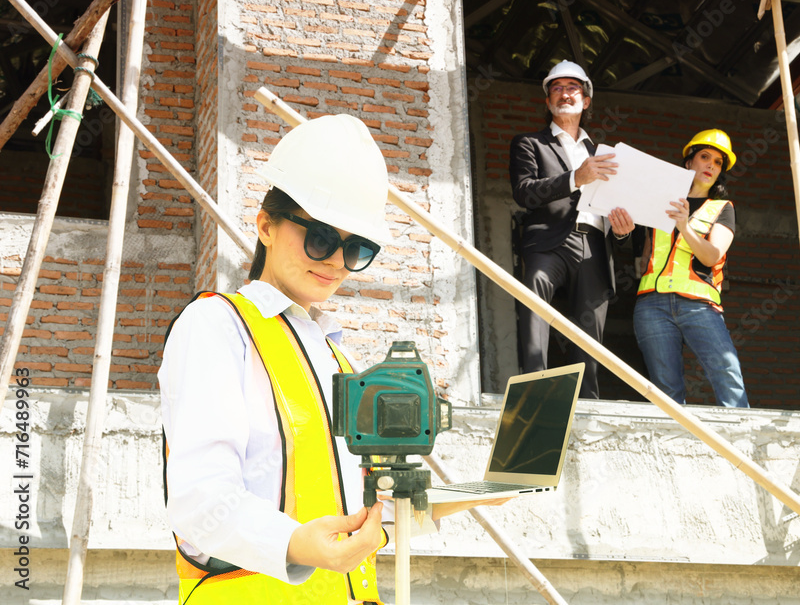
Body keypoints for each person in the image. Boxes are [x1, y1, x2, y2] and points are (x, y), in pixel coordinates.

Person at [159, 115, 501, 604]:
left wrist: (463, 498)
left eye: (358, 248)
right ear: (266, 227)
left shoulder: (335, 355)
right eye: (320, 238)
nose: (337, 261)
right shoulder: (217, 325)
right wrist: (296, 544)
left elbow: (349, 508)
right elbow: (199, 502)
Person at [509, 60, 634, 399]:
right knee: (533, 297)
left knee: (590, 327)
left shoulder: (604, 155)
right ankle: (533, 389)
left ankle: (586, 400)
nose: (565, 94)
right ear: (548, 100)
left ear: (586, 100)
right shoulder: (529, 144)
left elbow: (617, 208)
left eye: (572, 88)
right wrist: (576, 178)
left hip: (593, 244)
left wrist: (622, 231)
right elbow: (524, 192)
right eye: (557, 88)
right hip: (547, 240)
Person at [631, 129, 750, 408]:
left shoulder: (722, 208)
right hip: (651, 305)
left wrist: (684, 225)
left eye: (718, 162)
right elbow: (645, 255)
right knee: (665, 388)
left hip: (699, 306)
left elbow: (711, 256)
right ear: (688, 163)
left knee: (727, 373)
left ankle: (741, 445)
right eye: (705, 157)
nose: (711, 164)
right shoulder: (661, 202)